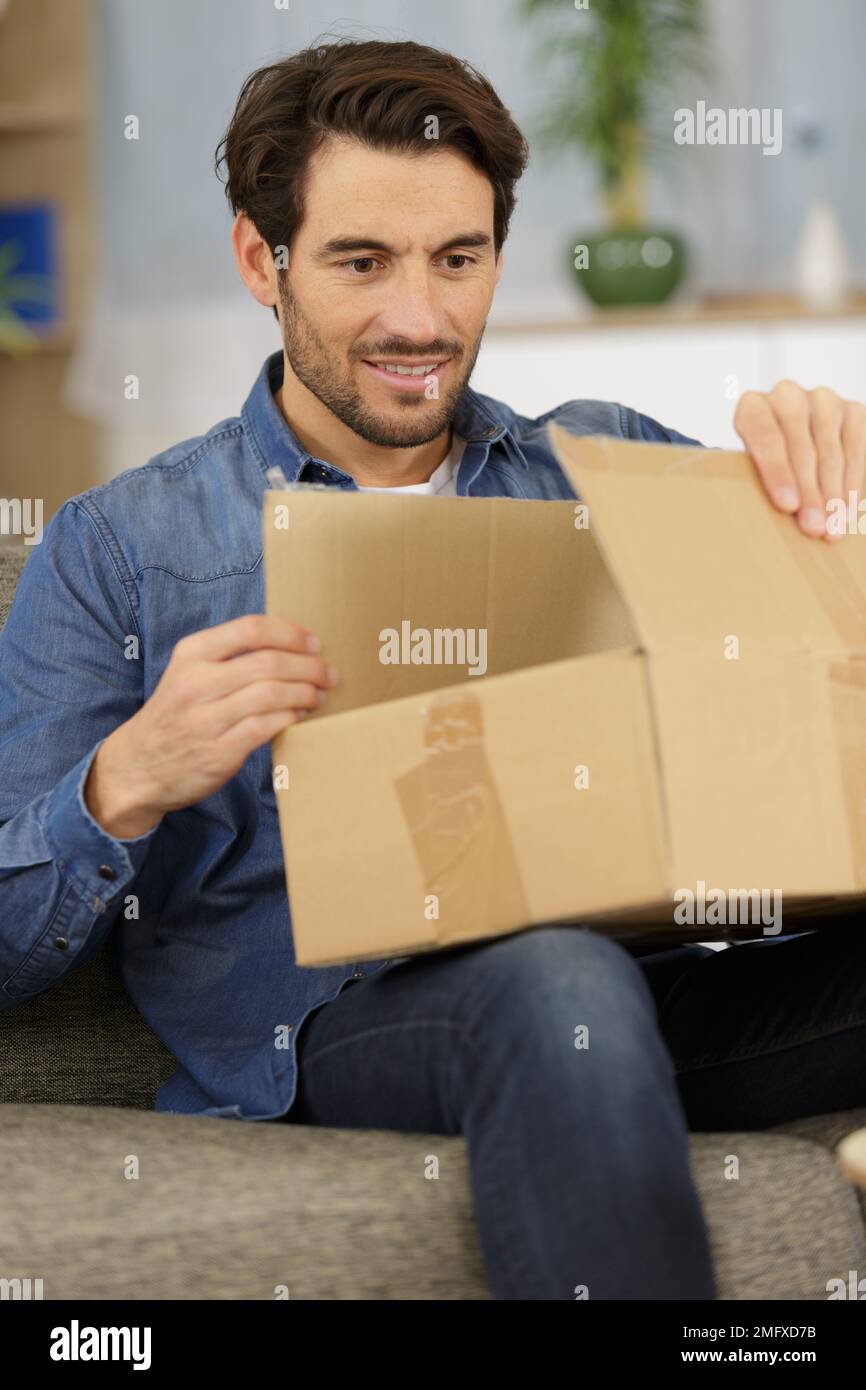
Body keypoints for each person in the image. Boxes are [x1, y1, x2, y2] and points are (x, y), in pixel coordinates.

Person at [1, 39, 865, 1301]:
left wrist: (820, 499)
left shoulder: (601, 464)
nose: (420, 317)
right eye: (361, 261)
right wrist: (125, 780)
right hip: (338, 1034)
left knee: (580, 982)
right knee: (550, 981)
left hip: (645, 1001)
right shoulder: (119, 549)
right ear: (263, 259)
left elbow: (800, 695)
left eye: (457, 260)